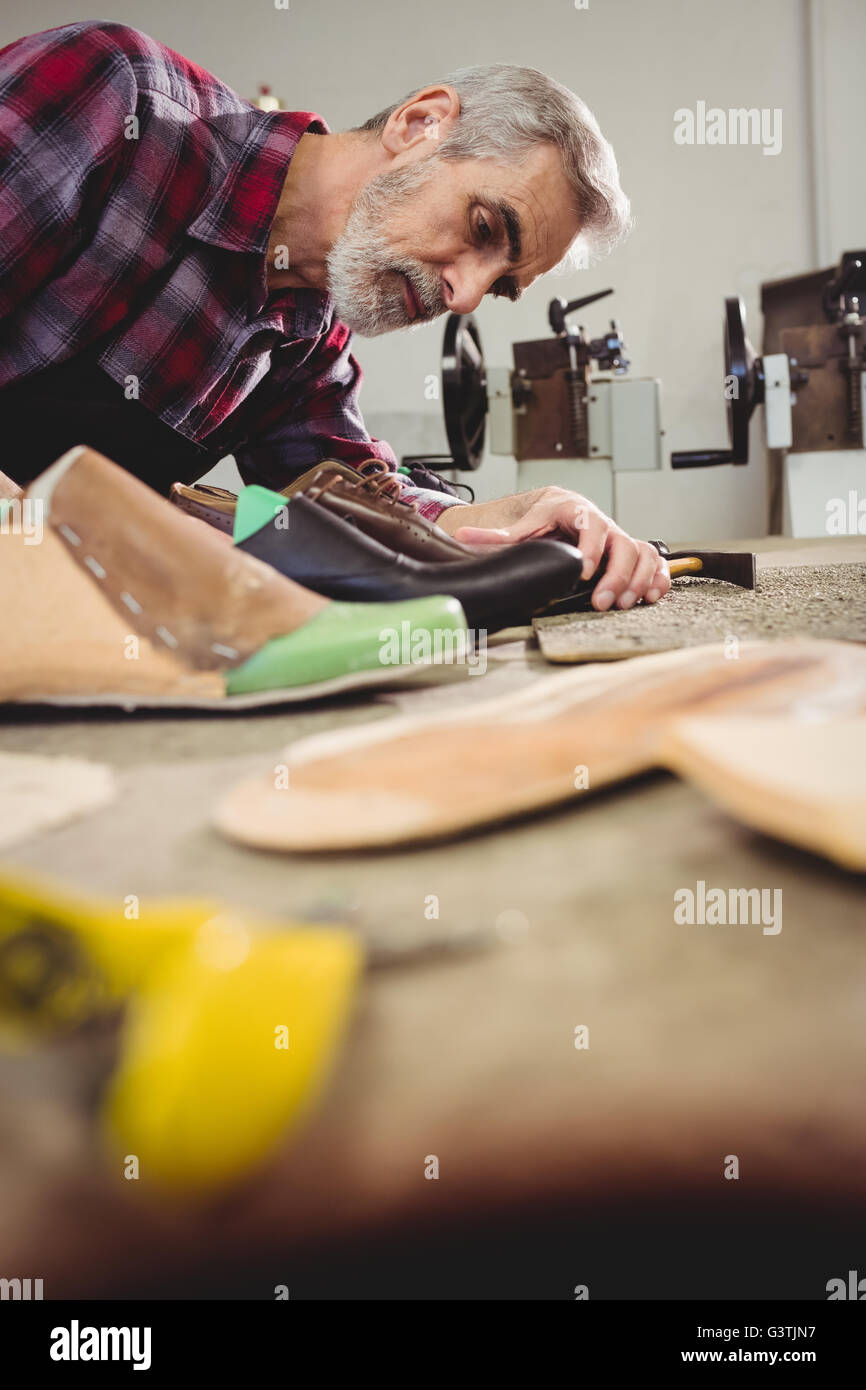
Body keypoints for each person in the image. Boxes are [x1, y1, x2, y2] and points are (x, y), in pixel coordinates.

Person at [0, 20, 669, 611]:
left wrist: (522, 516)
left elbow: (352, 505)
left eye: (497, 288)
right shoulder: (122, 99)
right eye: (485, 225)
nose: (464, 296)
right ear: (419, 125)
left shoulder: (305, 346)